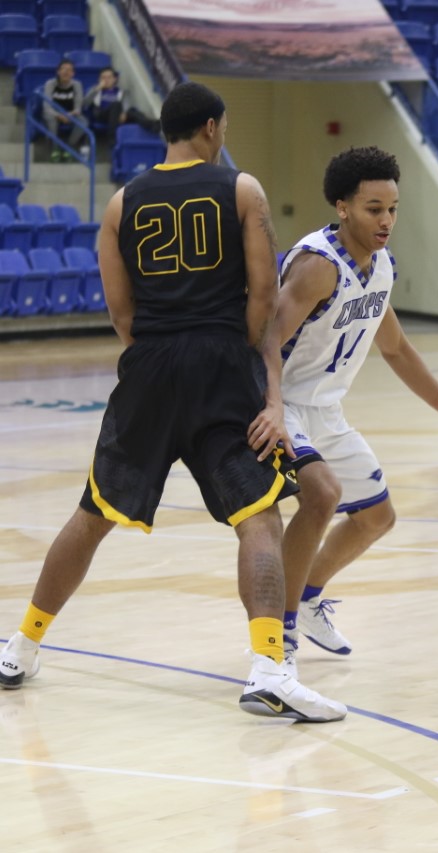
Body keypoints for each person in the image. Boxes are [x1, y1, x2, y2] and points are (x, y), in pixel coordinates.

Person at [0, 82, 345, 724]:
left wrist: (158, 356)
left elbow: (119, 311)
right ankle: (269, 668)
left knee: (92, 513)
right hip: (222, 364)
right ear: (212, 127)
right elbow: (263, 298)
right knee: (260, 517)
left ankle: (22, 647)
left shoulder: (120, 203)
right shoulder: (242, 189)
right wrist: (238, 364)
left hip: (150, 367)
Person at [275, 146, 438, 667]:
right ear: (342, 208)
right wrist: (267, 409)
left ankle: (307, 599)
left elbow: (397, 348)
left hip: (325, 411)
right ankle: (279, 634)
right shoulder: (317, 267)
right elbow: (264, 345)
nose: (386, 221)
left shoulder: (379, 267)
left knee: (376, 517)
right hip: (280, 404)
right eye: (374, 209)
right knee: (322, 497)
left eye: (393, 209)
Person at [84, 67, 162, 142]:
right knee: (116, 104)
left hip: (117, 115)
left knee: (133, 112)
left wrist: (124, 113)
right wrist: (98, 88)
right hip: (102, 114)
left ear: (114, 79)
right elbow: (85, 103)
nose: (106, 80)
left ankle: (153, 125)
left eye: (109, 77)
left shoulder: (121, 92)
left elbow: (126, 105)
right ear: (99, 79)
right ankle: (112, 138)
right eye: (103, 78)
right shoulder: (96, 90)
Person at [42, 60, 88, 162]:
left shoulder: (77, 85)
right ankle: (55, 147)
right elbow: (47, 107)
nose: (66, 72)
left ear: (73, 73)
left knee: (83, 121)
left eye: (69, 70)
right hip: (53, 114)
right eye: (63, 69)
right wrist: (58, 115)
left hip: (70, 114)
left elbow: (78, 107)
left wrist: (68, 115)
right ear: (58, 72)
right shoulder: (50, 84)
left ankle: (69, 146)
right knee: (50, 118)